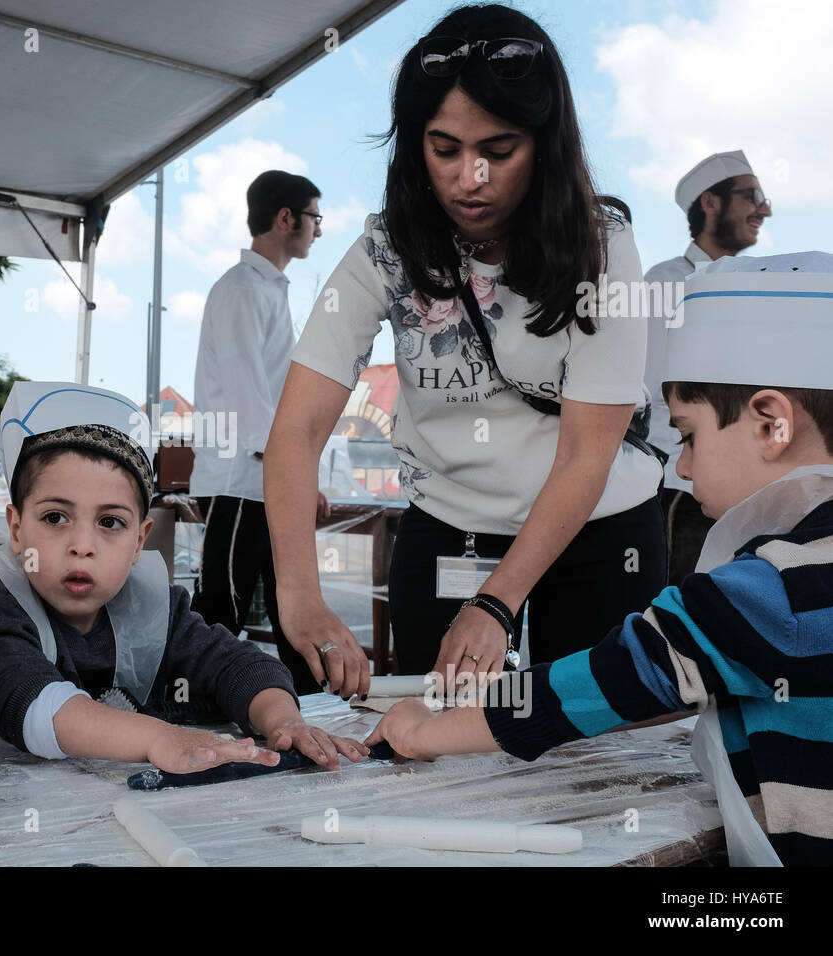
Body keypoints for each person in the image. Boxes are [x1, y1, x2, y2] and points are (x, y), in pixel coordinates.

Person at [367, 252, 833, 866]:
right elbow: (667, 680)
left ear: (771, 423)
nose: (684, 466)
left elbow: (615, 676)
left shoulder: (771, 592)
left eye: (689, 435)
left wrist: (427, 730)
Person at [264, 4, 667, 701]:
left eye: (499, 151)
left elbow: (586, 454)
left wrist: (497, 604)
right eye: (444, 148)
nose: (470, 177)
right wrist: (299, 593)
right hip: (450, 532)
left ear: (545, 144)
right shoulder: (384, 253)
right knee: (443, 748)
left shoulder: (603, 248)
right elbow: (297, 431)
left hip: (600, 530)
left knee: (599, 757)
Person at [0, 381, 367, 772]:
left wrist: (282, 721)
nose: (82, 545)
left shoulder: (157, 613)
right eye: (55, 517)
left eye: (110, 522)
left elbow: (239, 666)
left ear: (139, 541)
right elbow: (40, 708)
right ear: (16, 529)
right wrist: (159, 738)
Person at [189, 170, 330, 695]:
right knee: (220, 608)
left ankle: (311, 709)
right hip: (239, 481)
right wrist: (293, 476)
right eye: (314, 217)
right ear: (285, 217)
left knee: (291, 601)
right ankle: (206, 708)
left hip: (264, 480)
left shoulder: (267, 289)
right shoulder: (241, 289)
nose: (318, 230)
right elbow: (249, 396)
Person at [644, 151, 773, 585]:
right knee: (681, 626)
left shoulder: (757, 283)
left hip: (748, 494)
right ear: (711, 203)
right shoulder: (667, 283)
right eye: (752, 195)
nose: (765, 208)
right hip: (685, 493)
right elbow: (650, 398)